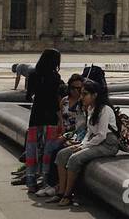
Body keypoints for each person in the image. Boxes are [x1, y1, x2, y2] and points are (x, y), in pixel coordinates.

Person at [47, 77, 119, 208]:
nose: (82, 97)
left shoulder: (104, 110)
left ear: (95, 95)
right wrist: (81, 145)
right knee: (62, 154)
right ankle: (61, 191)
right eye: (82, 94)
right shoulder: (90, 109)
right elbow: (89, 132)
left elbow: (102, 135)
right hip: (94, 141)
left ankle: (68, 195)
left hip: (108, 144)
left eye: (85, 94)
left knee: (74, 159)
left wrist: (83, 146)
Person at [17, 49, 63, 195]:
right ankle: (44, 182)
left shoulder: (33, 74)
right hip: (50, 116)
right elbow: (57, 99)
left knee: (33, 149)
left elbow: (28, 96)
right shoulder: (55, 77)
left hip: (36, 115)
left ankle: (31, 183)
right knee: (48, 150)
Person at [35, 75, 85, 195]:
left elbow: (83, 126)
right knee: (48, 148)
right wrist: (61, 134)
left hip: (76, 135)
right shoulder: (65, 101)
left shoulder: (83, 103)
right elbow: (61, 121)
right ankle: (47, 182)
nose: (76, 91)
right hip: (66, 133)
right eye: (73, 88)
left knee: (57, 151)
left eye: (79, 88)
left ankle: (55, 185)